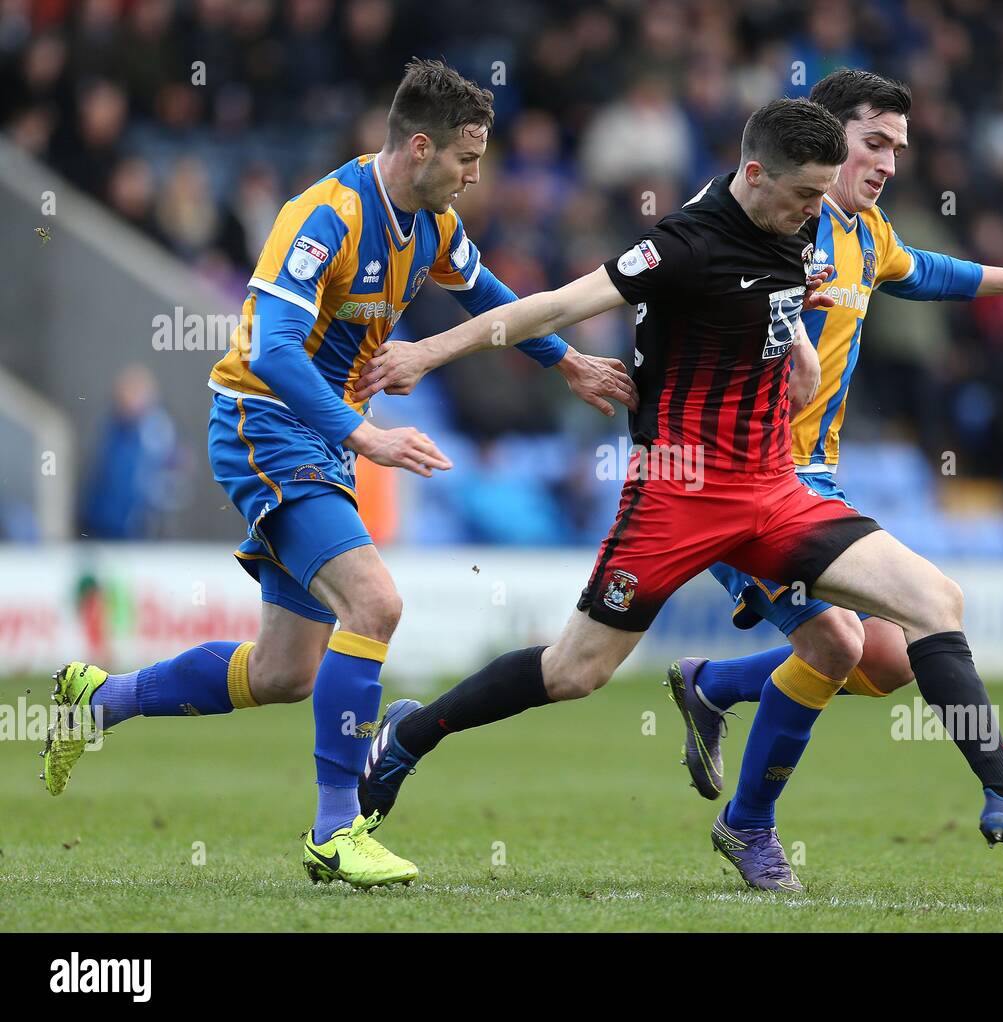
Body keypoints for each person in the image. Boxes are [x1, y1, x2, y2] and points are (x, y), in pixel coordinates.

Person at [354, 96, 1003, 892]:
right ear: (756, 174)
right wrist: (429, 349)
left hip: (773, 488)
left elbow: (788, 311)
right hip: (678, 496)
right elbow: (556, 304)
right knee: (574, 673)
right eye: (806, 196)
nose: (817, 213)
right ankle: (409, 733)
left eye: (822, 196)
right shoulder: (683, 245)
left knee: (933, 602)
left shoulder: (800, 224)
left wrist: (798, 348)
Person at [43, 59, 634, 890]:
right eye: (466, 160)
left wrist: (564, 357)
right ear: (419, 145)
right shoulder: (325, 215)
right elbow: (273, 351)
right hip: (263, 422)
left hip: (317, 439)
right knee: (378, 603)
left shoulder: (429, 222)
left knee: (286, 672)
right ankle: (335, 829)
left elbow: (489, 297)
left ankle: (97, 700)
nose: (475, 177)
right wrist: (366, 435)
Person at [666, 70, 1003, 890]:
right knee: (835, 641)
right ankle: (749, 825)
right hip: (735, 476)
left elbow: (922, 270)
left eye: (898, 146)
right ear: (822, 141)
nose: (890, 161)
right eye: (875, 142)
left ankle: (711, 683)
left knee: (892, 659)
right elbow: (675, 281)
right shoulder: (766, 221)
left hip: (812, 480)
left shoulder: (866, 232)